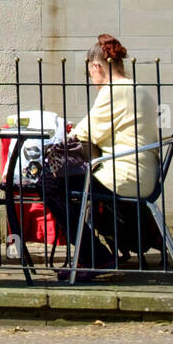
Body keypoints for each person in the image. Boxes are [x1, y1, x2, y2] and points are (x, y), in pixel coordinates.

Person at [40, 34, 160, 278]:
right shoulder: (139, 89)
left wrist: (67, 133)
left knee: (49, 184)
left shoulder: (114, 91)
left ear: (96, 67)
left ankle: (96, 257)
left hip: (123, 176)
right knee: (63, 184)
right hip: (144, 174)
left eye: (89, 73)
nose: (91, 80)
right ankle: (93, 255)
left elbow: (86, 132)